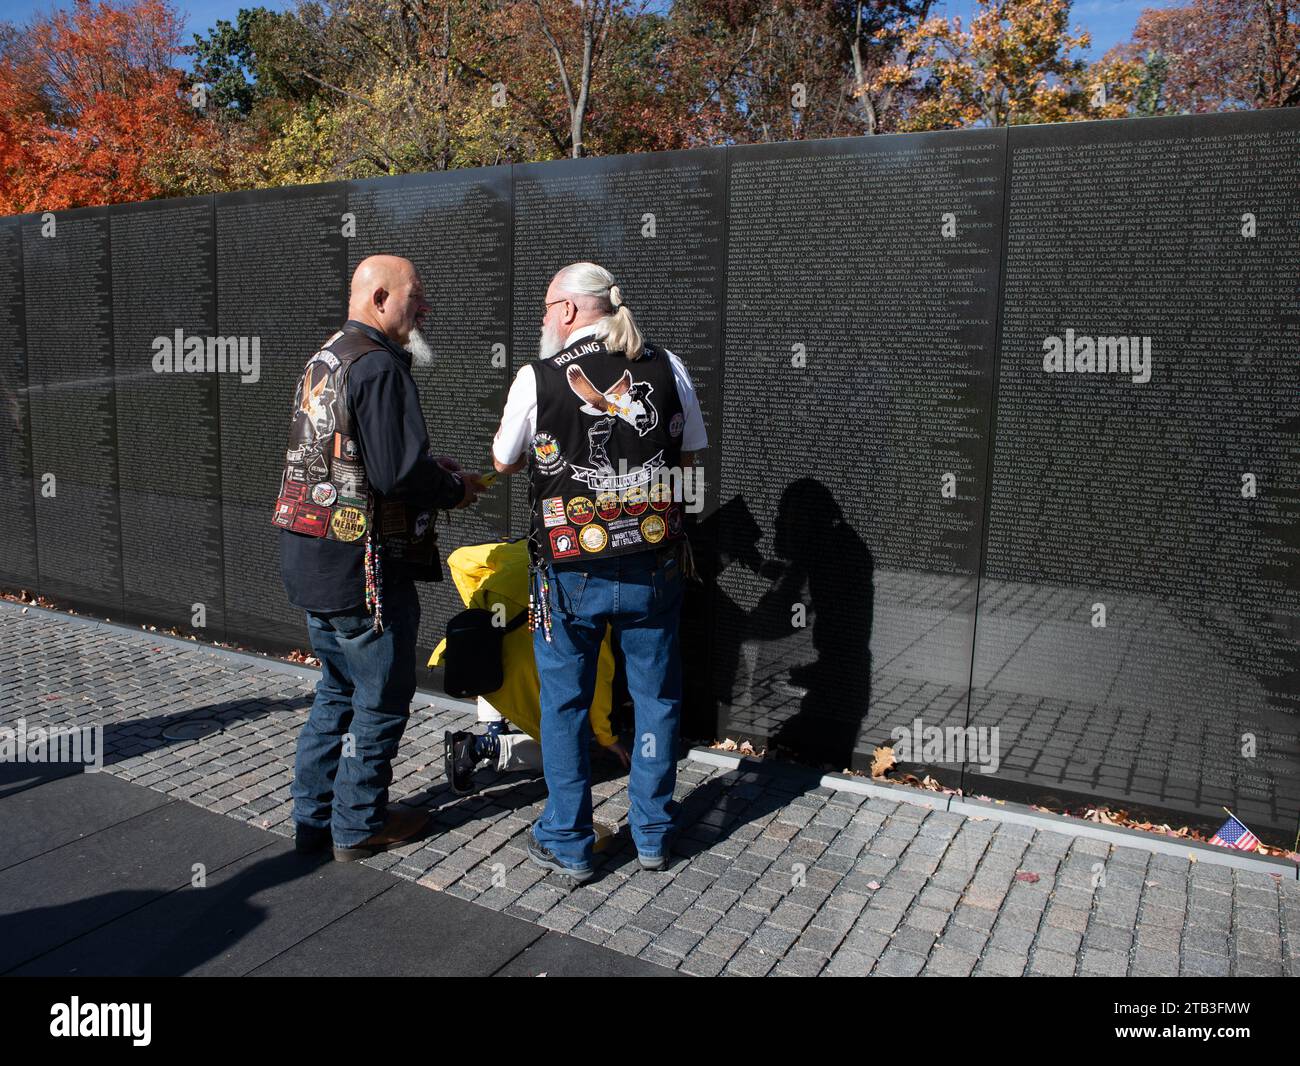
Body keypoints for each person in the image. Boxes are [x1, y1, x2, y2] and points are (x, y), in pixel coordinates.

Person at [492, 261, 708, 883]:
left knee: (565, 704)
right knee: (657, 697)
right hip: (653, 562)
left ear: (567, 310)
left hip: (571, 569)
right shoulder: (669, 366)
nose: (541, 321)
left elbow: (505, 460)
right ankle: (653, 834)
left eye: (544, 308)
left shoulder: (539, 377)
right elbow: (690, 455)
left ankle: (568, 839)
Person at [274, 254, 485, 862]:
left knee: (335, 693)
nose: (425, 309)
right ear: (380, 299)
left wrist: (426, 469)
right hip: (363, 571)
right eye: (416, 297)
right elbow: (395, 473)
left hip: (310, 559)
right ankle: (359, 824)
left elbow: (356, 458)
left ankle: (312, 819)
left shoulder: (327, 357)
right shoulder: (381, 367)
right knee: (381, 701)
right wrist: (454, 488)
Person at [427, 539, 629, 793]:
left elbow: (459, 558)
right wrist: (605, 737)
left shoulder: (522, 548)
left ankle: (495, 726)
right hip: (518, 676)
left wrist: (477, 603)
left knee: (498, 646)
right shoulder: (590, 592)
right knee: (571, 755)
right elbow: (600, 677)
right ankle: (482, 747)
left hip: (474, 663)